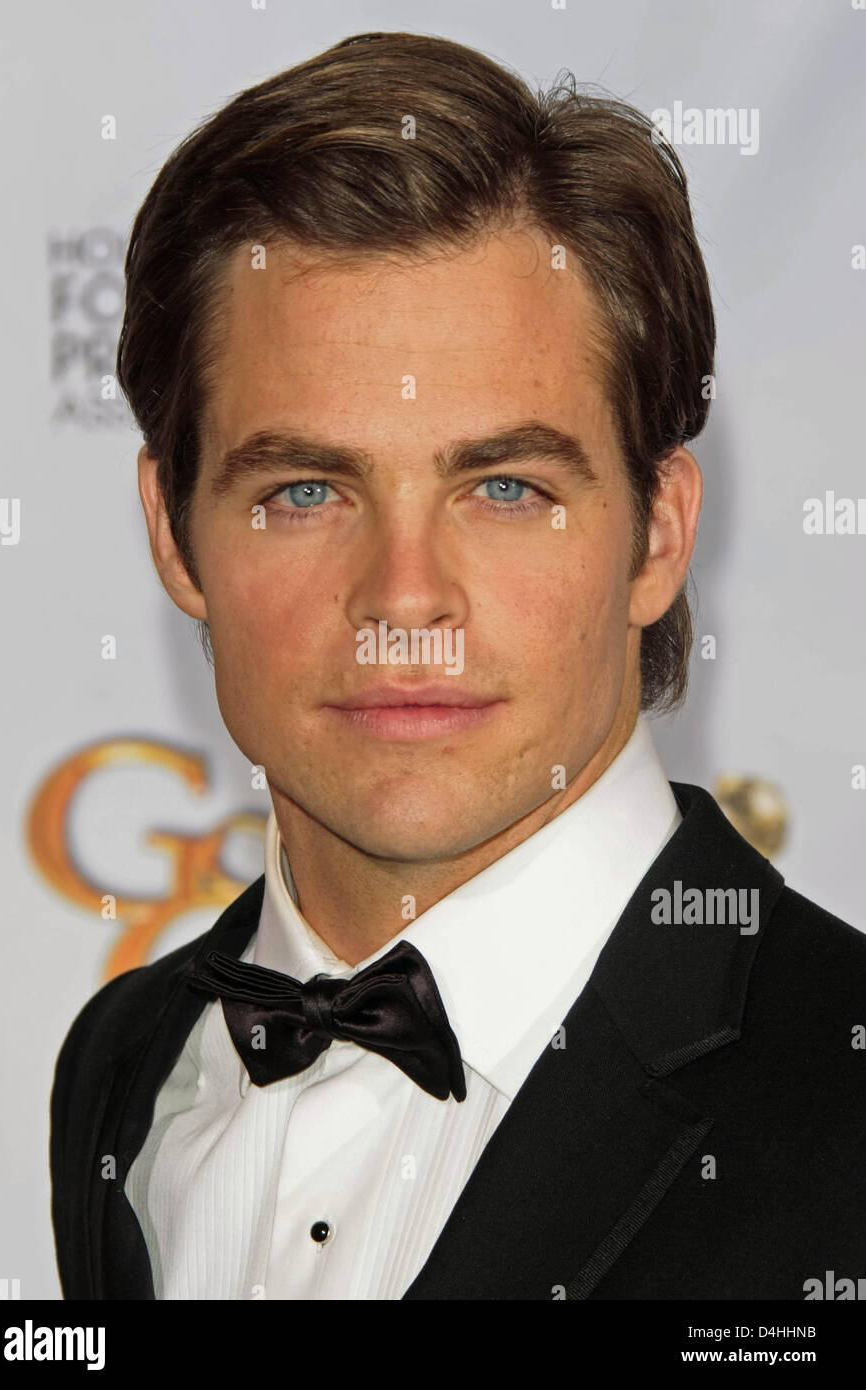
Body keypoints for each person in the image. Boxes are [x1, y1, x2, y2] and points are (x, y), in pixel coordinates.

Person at [49, 30, 866, 1300]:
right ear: (174, 531)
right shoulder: (122, 1065)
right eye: (307, 489)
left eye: (503, 485)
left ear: (658, 533)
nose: (405, 598)